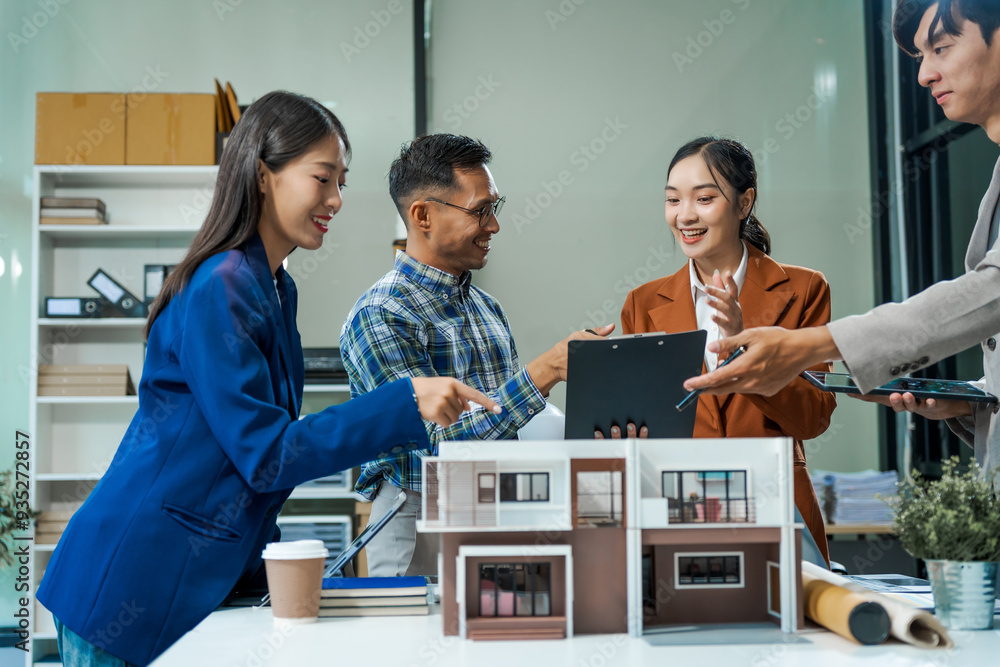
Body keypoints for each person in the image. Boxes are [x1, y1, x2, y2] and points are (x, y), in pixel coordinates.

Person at [36, 92, 499, 667]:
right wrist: (403, 401)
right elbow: (267, 454)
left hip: (205, 576)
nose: (335, 200)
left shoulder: (276, 287)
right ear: (262, 174)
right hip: (134, 579)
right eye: (322, 179)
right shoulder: (221, 284)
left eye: (341, 183)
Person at [684, 0, 1000, 476]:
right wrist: (968, 402)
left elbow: (991, 292)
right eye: (920, 57)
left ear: (744, 203)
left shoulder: (804, 286)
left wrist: (808, 346)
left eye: (941, 48)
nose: (924, 75)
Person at [340, 133, 613, 577]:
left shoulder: (487, 309)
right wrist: (544, 372)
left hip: (496, 508)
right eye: (480, 210)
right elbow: (435, 448)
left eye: (494, 207)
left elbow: (506, 424)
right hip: (419, 517)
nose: (494, 225)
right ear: (423, 215)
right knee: (418, 624)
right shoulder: (381, 314)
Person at [620, 137, 835, 563]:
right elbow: (640, 424)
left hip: (776, 506)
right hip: (676, 509)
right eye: (673, 200)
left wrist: (746, 345)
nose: (685, 215)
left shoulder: (804, 289)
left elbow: (813, 417)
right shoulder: (642, 304)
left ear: (744, 203)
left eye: (704, 198)